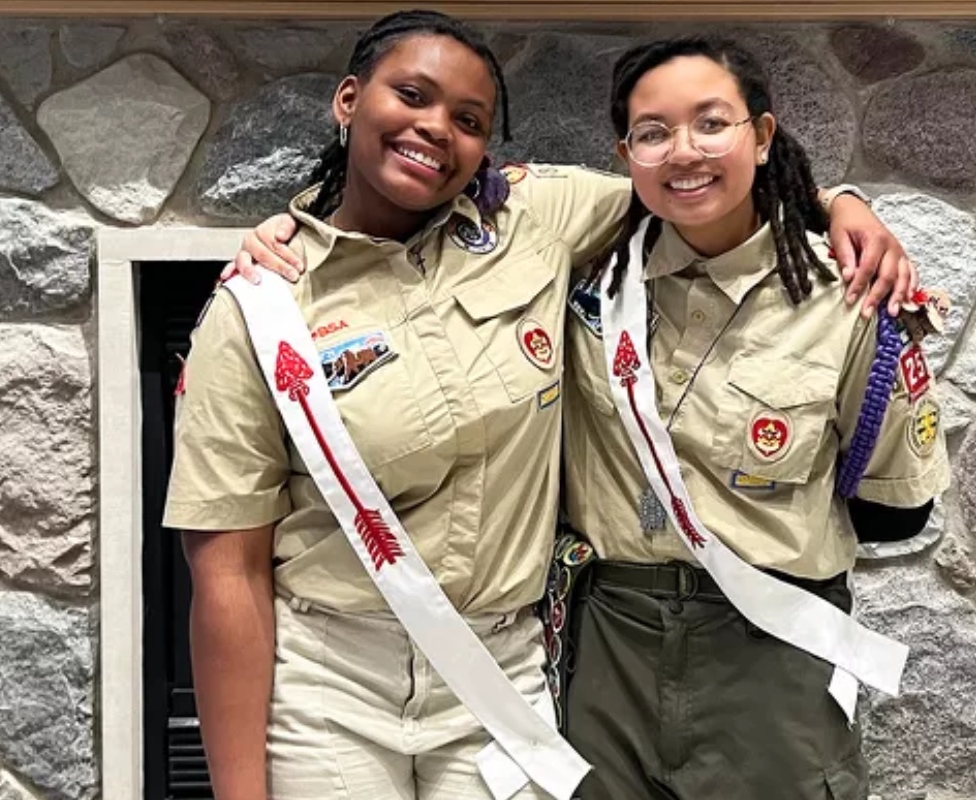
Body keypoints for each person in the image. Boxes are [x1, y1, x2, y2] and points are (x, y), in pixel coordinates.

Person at [204, 13, 919, 800]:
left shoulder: (534, 221)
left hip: (516, 670)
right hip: (342, 677)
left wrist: (843, 202)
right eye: (411, 94)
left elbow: (702, 187)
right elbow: (225, 570)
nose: (436, 129)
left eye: (469, 120)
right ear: (348, 99)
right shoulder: (266, 298)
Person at [553, 36, 951, 800]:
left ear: (763, 137)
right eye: (653, 132)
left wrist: (839, 200)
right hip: (606, 644)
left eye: (712, 123)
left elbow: (898, 513)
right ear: (626, 153)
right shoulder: (590, 275)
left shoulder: (851, 296)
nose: (684, 151)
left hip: (770, 648)